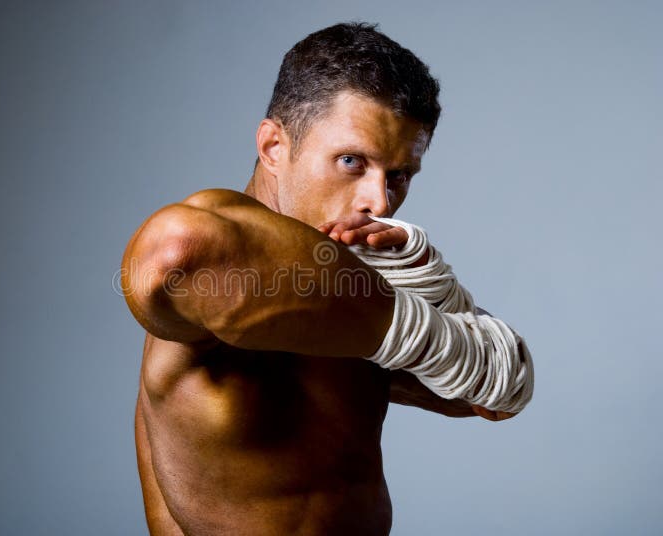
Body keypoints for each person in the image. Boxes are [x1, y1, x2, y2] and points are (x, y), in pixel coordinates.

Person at [121, 21, 532, 535]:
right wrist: (413, 322)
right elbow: (173, 254)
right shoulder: (224, 260)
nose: (379, 202)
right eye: (350, 161)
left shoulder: (358, 282)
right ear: (274, 146)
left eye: (399, 175)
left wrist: (427, 280)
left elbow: (494, 395)